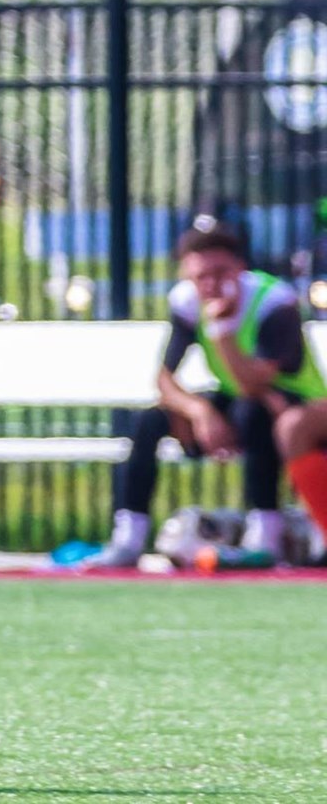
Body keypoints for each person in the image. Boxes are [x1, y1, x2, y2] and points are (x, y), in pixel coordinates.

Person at [86, 222, 322, 567]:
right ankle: (129, 536)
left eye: (220, 273)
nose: (210, 284)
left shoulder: (274, 301)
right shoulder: (186, 301)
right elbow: (164, 380)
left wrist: (221, 330)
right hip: (238, 398)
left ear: (240, 268)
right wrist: (201, 412)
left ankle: (265, 533)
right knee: (151, 420)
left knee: (252, 412)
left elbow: (255, 384)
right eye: (200, 276)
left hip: (296, 401)